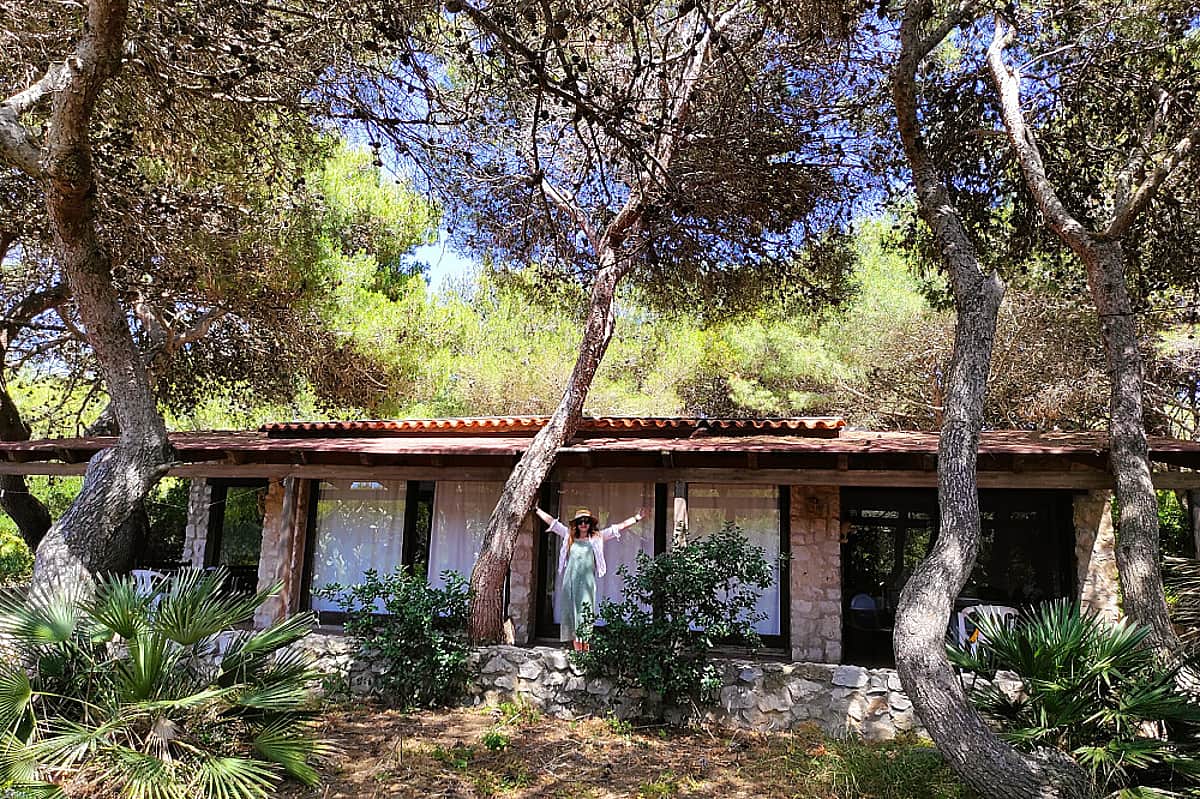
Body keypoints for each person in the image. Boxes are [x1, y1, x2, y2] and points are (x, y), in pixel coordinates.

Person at [533, 505, 644, 651]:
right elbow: (553, 523)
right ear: (576, 525)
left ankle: (585, 651)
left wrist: (637, 518)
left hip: (587, 583)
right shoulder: (569, 536)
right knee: (572, 613)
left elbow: (618, 528)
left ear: (591, 524)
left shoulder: (597, 538)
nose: (583, 524)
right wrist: (537, 510)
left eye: (586, 521)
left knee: (585, 614)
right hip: (570, 582)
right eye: (580, 522)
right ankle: (578, 651)